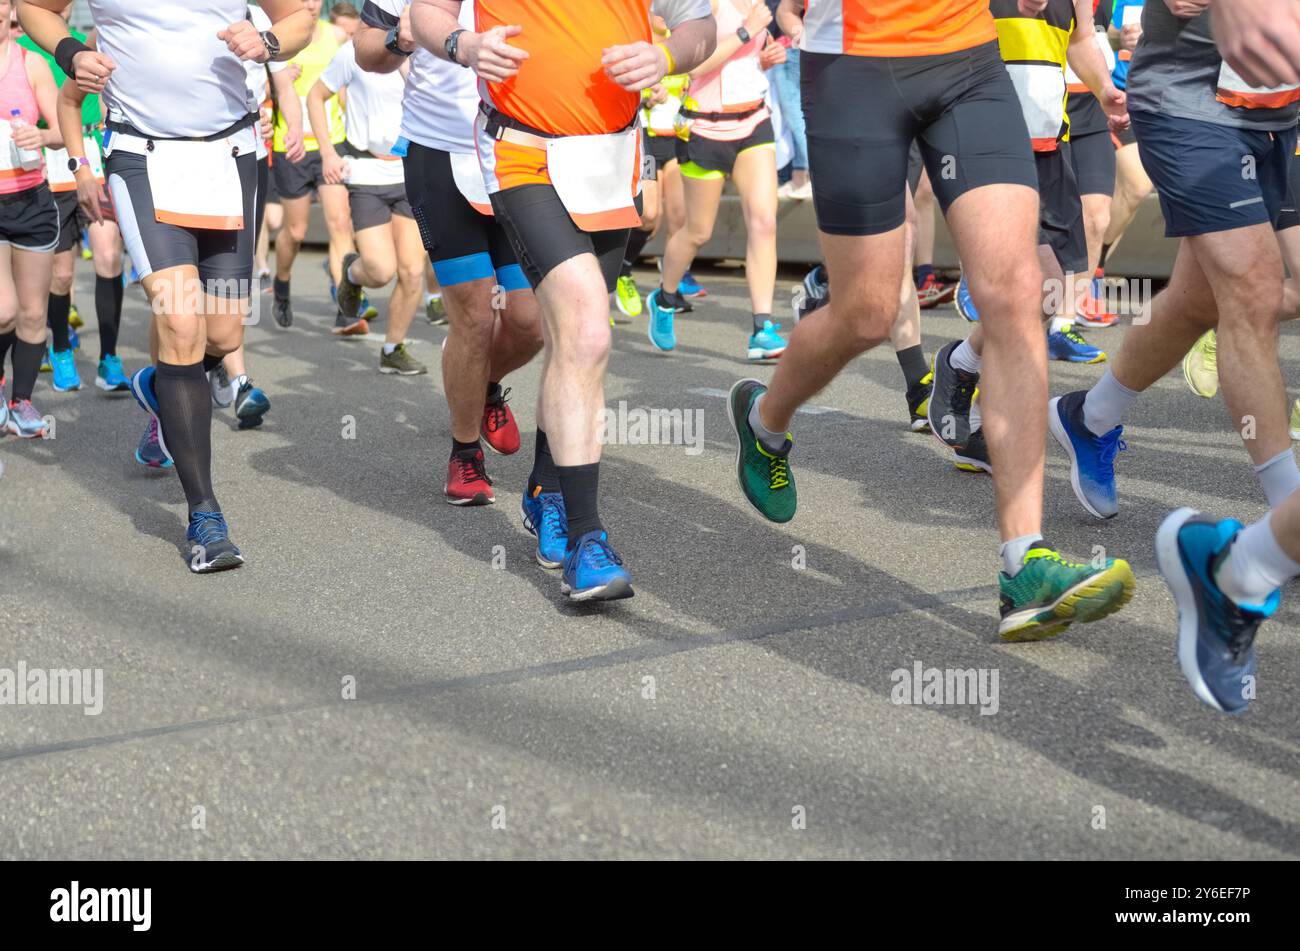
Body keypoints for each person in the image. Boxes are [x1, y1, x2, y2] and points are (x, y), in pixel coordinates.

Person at [729, 0, 1135, 640]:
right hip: (854, 64)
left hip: (967, 60)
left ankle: (1024, 560)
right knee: (865, 311)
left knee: (1017, 291)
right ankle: (764, 420)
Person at [410, 0, 717, 600]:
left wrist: (665, 55)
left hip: (610, 158)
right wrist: (462, 46)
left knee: (566, 335)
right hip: (522, 153)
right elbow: (426, 11)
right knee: (587, 328)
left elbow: (701, 27)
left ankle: (546, 489)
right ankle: (586, 538)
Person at [22, 0, 313, 571]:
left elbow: (299, 19)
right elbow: (36, 8)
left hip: (231, 155)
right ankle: (205, 516)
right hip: (142, 155)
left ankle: (159, 385)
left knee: (225, 335)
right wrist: (73, 52)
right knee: (180, 320)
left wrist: (269, 42)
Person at [357, 0, 542, 507]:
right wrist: (402, 38)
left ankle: (485, 386)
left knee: (531, 321)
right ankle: (464, 452)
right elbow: (365, 50)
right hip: (439, 153)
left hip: (518, 151)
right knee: (474, 316)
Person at [648, 0, 786, 361]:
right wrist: (746, 31)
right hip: (705, 128)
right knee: (698, 231)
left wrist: (764, 58)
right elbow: (693, 66)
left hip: (754, 122)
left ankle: (762, 328)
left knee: (764, 222)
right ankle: (664, 298)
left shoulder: (757, 4)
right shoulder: (706, 6)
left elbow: (747, 58)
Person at [310, 35, 427, 372]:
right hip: (366, 175)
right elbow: (317, 97)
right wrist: (329, 153)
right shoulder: (353, 52)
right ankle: (351, 272)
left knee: (413, 269)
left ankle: (392, 349)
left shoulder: (421, 56)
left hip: (409, 173)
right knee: (379, 270)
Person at [266, 0, 355, 330]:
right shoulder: (278, 37)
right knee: (296, 230)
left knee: (340, 222)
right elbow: (258, 87)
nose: (310, 4)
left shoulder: (337, 35)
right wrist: (278, 80)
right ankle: (283, 282)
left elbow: (348, 82)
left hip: (331, 142)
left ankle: (346, 304)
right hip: (291, 145)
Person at [0, 0, 60, 436]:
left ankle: (21, 402)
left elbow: (61, 129)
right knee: (4, 311)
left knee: (34, 315)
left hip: (32, 200)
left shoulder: (31, 61)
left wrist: (40, 133)